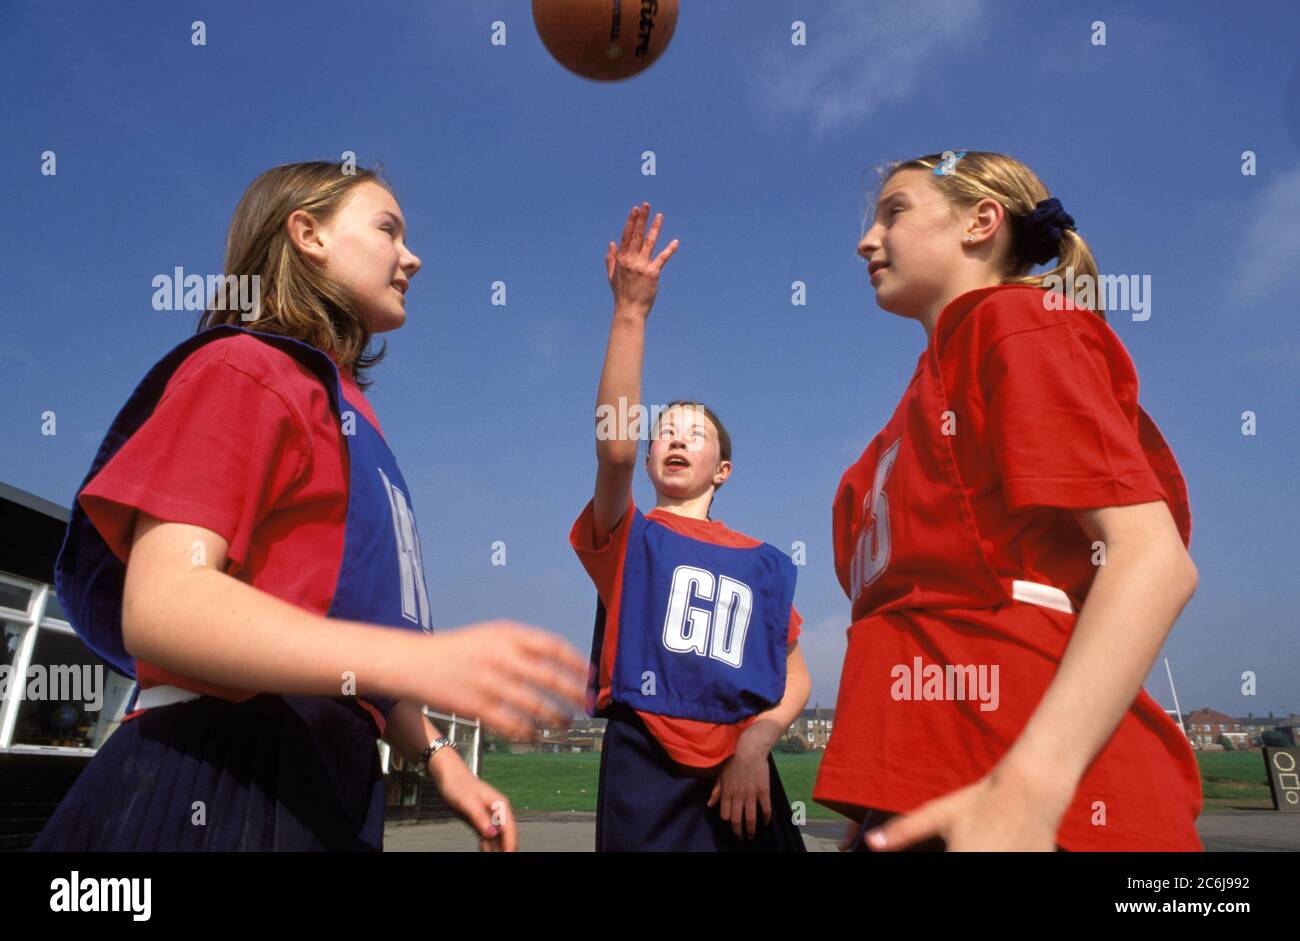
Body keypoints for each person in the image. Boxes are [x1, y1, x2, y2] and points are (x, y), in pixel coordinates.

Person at [31, 161, 587, 852]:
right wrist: (417, 660)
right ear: (307, 234)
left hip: (332, 787)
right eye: (388, 228)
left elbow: (358, 654)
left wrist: (443, 761)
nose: (411, 256)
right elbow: (163, 604)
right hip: (216, 773)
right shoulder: (243, 367)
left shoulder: (356, 419)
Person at [813, 151, 1202, 852]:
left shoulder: (1018, 323)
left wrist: (1027, 789)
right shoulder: (888, 438)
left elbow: (1151, 557)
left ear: (980, 222)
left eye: (894, 211)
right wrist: (873, 807)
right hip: (926, 794)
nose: (867, 240)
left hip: (1039, 800)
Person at [570, 203, 811, 851]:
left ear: (723, 467)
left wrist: (757, 743)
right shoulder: (629, 538)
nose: (676, 438)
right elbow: (613, 447)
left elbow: (798, 676)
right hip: (646, 763)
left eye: (695, 432)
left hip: (743, 763)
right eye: (665, 431)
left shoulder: (760, 561)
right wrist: (631, 312)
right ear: (648, 457)